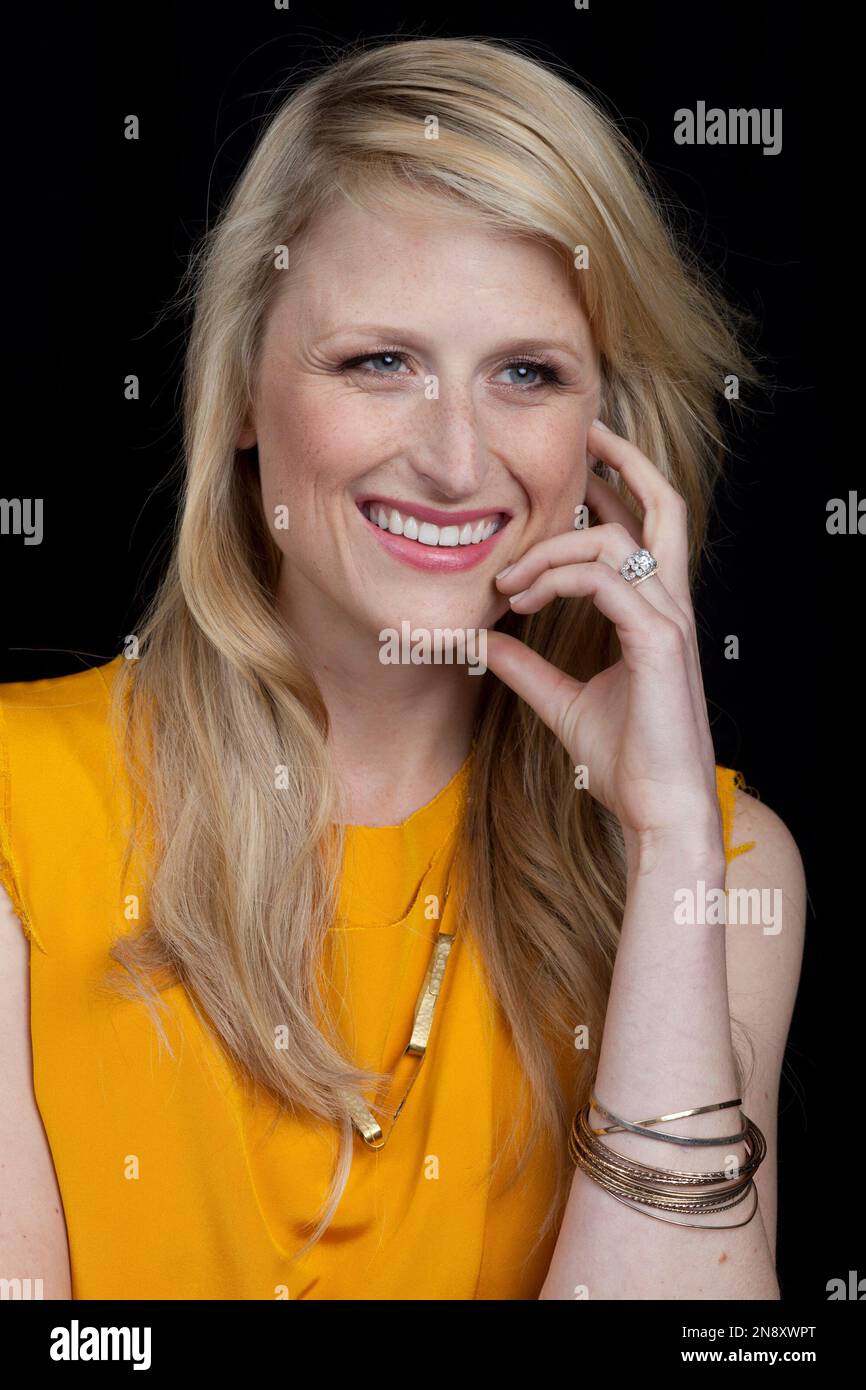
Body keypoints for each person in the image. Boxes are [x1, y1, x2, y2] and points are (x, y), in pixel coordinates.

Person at [0, 36, 805, 1301]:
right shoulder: (15, 805)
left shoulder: (722, 863)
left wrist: (667, 852)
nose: (450, 459)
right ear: (246, 398)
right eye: (380, 361)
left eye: (525, 374)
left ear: (605, 440)